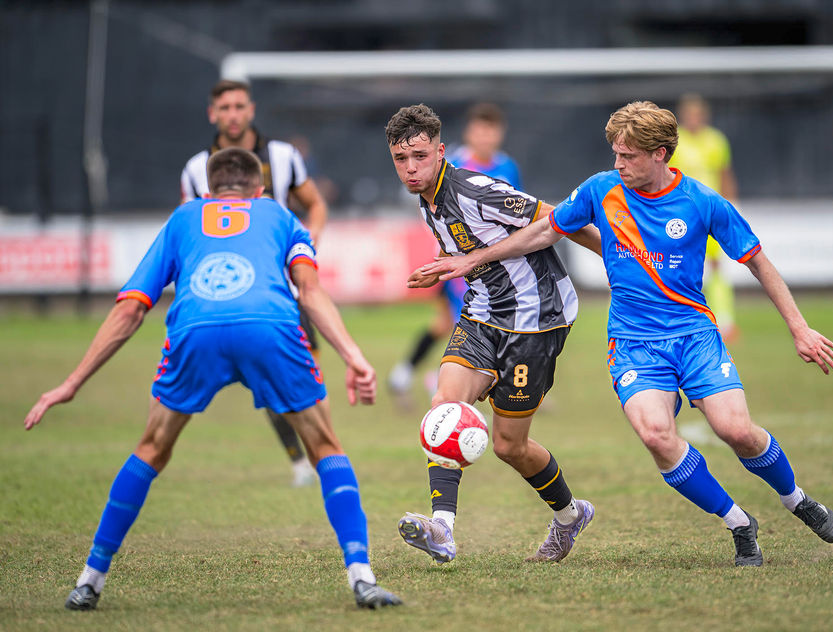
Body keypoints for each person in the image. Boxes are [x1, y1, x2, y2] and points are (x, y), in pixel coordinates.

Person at [419, 101, 833, 567]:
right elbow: (543, 232)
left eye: (628, 156)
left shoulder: (702, 202)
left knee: (737, 431)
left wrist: (800, 328)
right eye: (614, 154)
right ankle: (740, 524)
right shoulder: (602, 189)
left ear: (661, 154)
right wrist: (470, 260)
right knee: (658, 436)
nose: (617, 164)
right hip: (633, 343)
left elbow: (758, 261)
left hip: (694, 335)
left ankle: (796, 499)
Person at [24, 148, 401, 610]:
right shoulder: (279, 215)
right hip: (269, 326)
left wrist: (72, 382)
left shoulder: (182, 219)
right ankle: (362, 578)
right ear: (259, 189)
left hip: (195, 328)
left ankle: (90, 580)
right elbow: (309, 290)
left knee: (151, 448)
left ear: (207, 190)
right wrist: (354, 356)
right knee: (324, 446)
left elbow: (131, 309)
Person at [385, 103, 601, 564]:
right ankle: (442, 529)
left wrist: (627, 265)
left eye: (419, 156)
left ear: (441, 152)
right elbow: (471, 253)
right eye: (401, 160)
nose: (410, 168)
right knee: (444, 407)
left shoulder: (476, 189)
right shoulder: (427, 201)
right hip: (482, 314)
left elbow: (556, 218)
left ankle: (569, 516)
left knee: (509, 445)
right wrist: (449, 269)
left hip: (537, 320)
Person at [181, 79, 329, 487]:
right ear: (213, 113)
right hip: (230, 287)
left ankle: (322, 454)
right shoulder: (196, 169)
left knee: (307, 370)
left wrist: (307, 243)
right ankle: (300, 460)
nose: (232, 114)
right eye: (224, 107)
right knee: (266, 374)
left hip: (283, 283)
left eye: (239, 106)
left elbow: (315, 204)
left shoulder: (283, 157)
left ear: (251, 110)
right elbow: (187, 226)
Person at [388, 104, 520, 398]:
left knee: (446, 323)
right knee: (473, 321)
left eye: (491, 130)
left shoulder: (507, 167)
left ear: (499, 134)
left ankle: (407, 373)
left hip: (496, 261)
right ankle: (449, 381)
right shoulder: (452, 163)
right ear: (470, 132)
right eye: (479, 129)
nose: (485, 137)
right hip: (459, 261)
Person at [668, 94, 740, 342]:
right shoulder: (674, 142)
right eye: (690, 114)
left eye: (698, 114)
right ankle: (684, 319)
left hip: (712, 214)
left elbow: (725, 174)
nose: (694, 119)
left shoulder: (716, 141)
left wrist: (732, 206)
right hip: (682, 216)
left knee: (717, 267)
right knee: (680, 265)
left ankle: (725, 321)